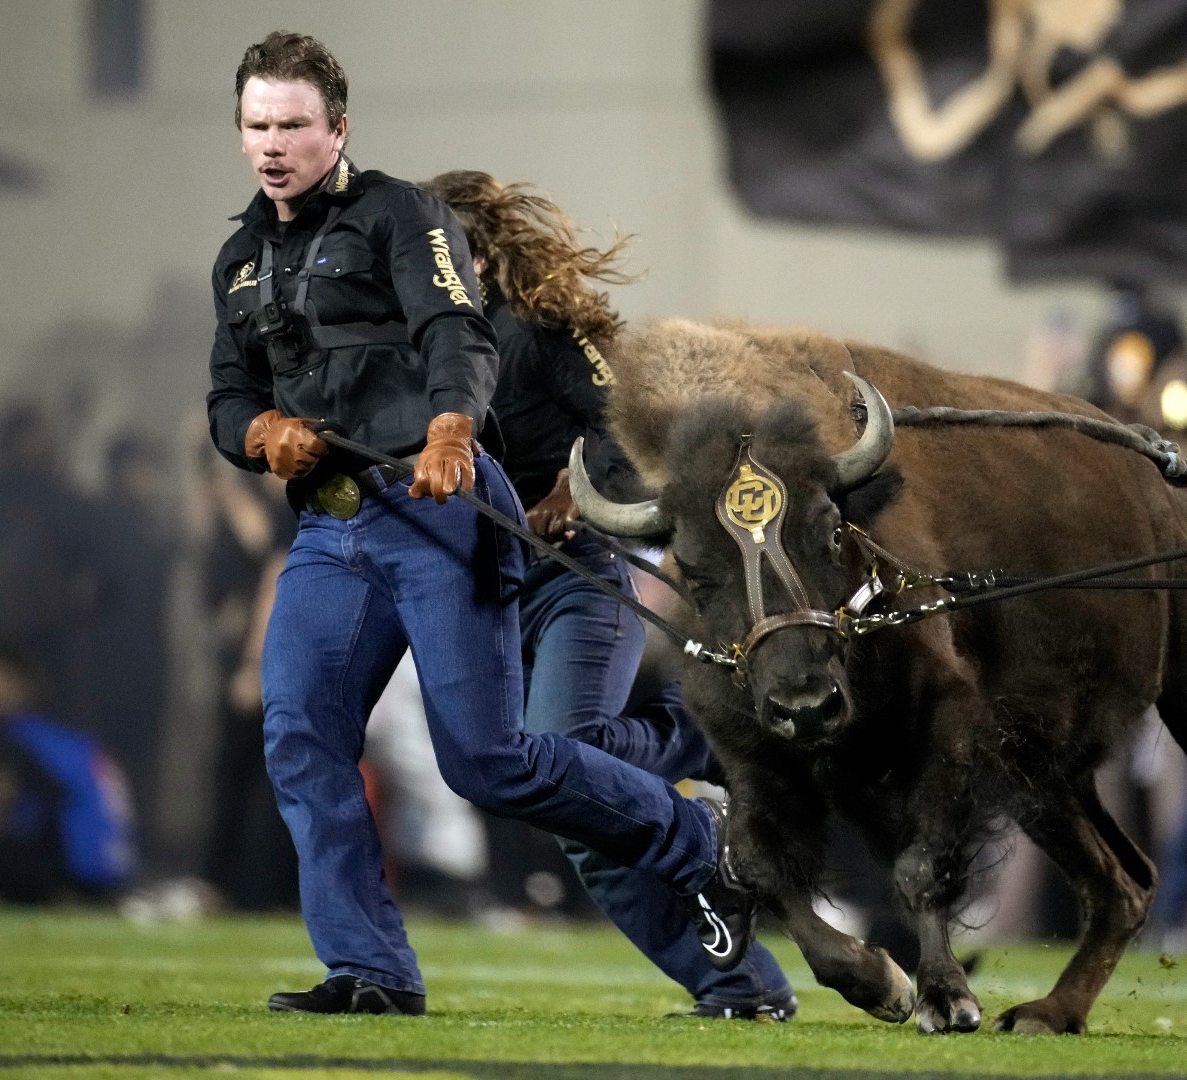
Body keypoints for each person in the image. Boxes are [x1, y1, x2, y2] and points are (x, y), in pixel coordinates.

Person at [204, 31, 752, 1017]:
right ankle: (370, 969)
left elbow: (592, 419)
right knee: (298, 732)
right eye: (257, 124)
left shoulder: (483, 294)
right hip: (345, 527)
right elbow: (227, 394)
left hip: (548, 552)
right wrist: (257, 431)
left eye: (291, 123)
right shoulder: (247, 261)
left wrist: (499, 451)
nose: (273, 142)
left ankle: (686, 789)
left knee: (511, 757)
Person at [422, 169, 797, 1019]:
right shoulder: (419, 347)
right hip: (481, 595)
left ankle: (698, 743)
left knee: (565, 752)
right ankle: (738, 985)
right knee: (577, 815)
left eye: (436, 248)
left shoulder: (538, 329)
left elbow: (624, 425)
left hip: (574, 579)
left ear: (479, 249)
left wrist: (567, 487)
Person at [0, 645, 135, 903]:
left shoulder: (14, 738)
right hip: (110, 871)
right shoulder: (57, 736)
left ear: (22, 685)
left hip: (70, 872)